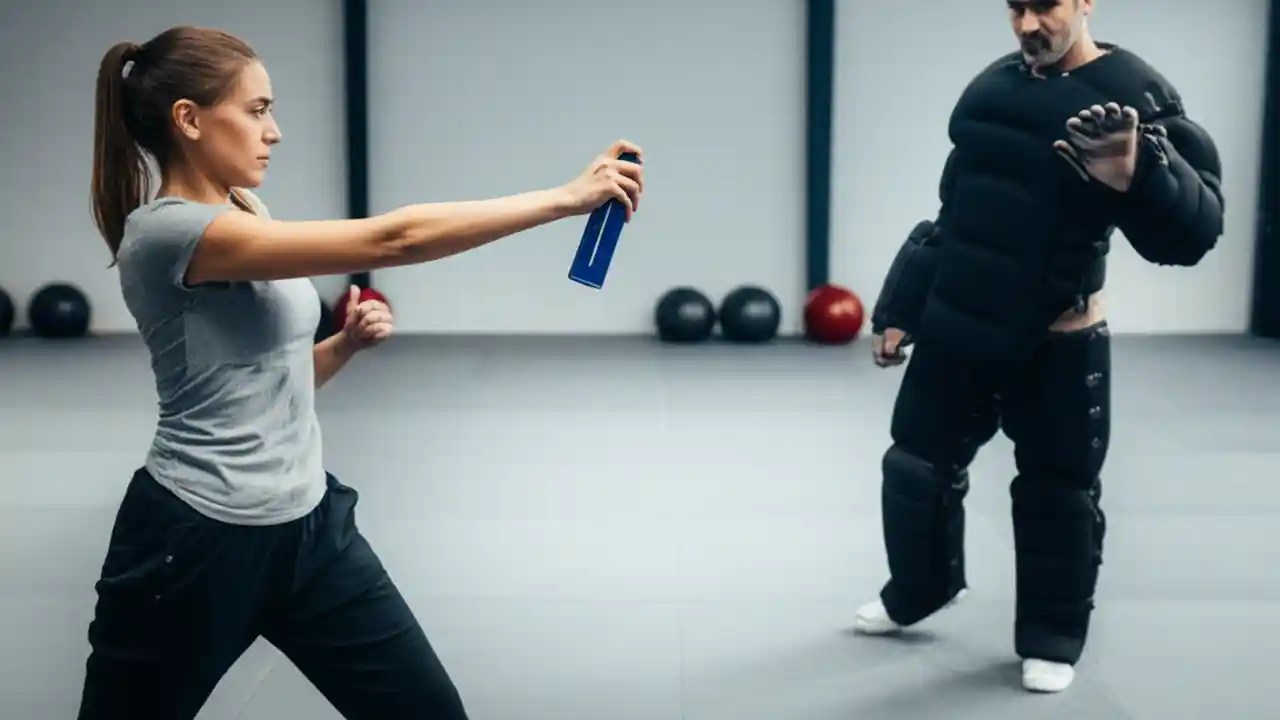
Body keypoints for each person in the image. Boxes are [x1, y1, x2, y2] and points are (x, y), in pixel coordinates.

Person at [79, 24, 643, 719]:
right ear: (189, 120)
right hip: (195, 541)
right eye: (255, 110)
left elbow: (259, 386)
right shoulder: (169, 232)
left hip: (310, 531)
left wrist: (340, 347)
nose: (274, 131)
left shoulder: (244, 210)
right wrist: (565, 198)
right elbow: (393, 239)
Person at [856, 0, 1224, 694]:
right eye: (1015, 6)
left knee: (1057, 494)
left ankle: (1052, 634)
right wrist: (902, 306)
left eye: (1046, 4)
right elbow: (956, 213)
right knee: (915, 468)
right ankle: (919, 588)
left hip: (1056, 343)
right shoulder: (993, 89)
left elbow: (1194, 235)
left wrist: (1141, 175)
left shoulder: (1137, 97)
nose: (1029, 24)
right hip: (960, 326)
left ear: (1086, 1)